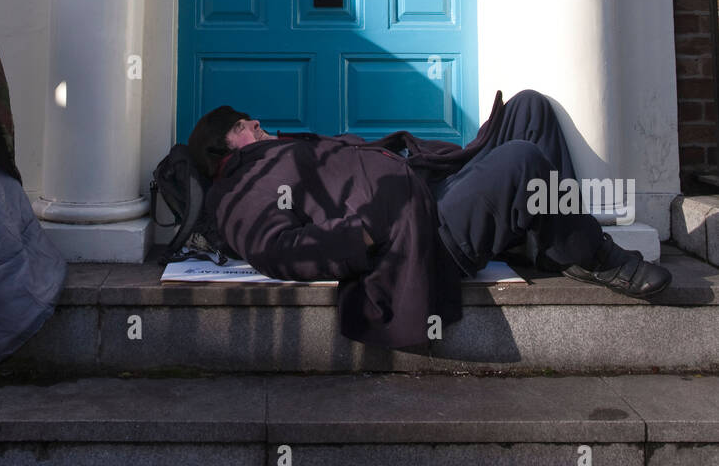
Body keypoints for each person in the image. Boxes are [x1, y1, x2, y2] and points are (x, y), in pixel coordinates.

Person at [187, 91, 672, 352]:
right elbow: (277, 248)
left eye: (248, 118)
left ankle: (554, 242)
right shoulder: (241, 188)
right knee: (524, 158)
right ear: (221, 153)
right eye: (238, 126)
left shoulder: (290, 146)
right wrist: (364, 235)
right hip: (421, 235)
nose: (252, 122)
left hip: (434, 188)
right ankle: (596, 255)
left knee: (530, 110)